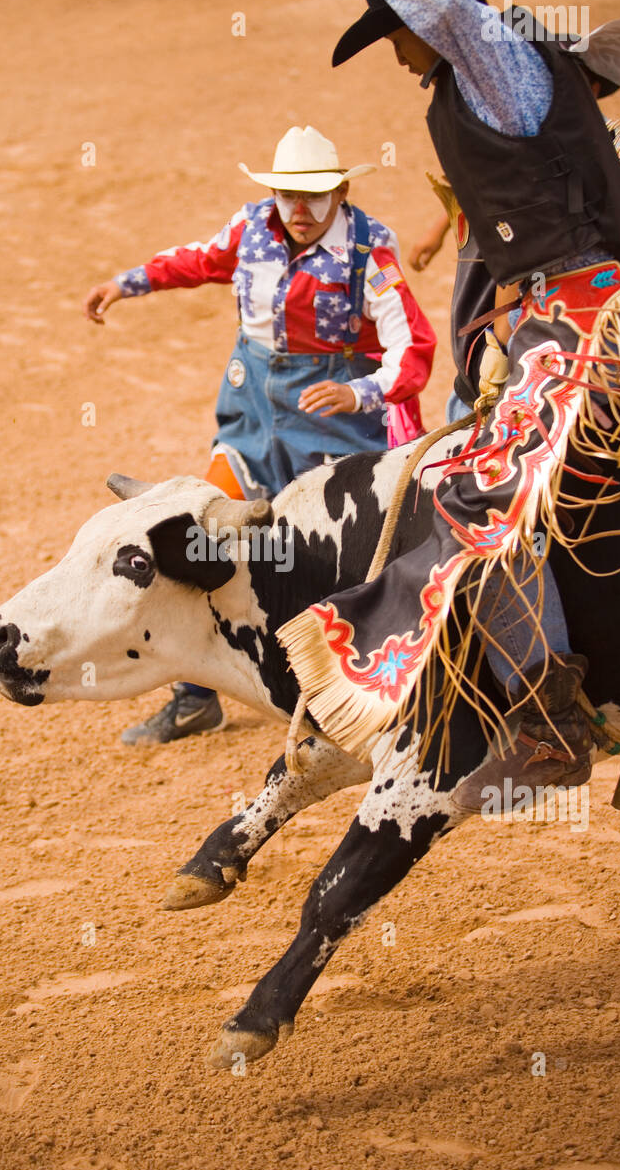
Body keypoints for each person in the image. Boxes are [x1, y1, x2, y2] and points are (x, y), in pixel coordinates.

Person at [278, 0, 620, 808]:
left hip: (587, 323)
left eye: (396, 36)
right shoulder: (491, 84)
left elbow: (445, 6)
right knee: (469, 472)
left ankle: (546, 717)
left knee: (480, 500)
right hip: (551, 315)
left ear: (418, 20)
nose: (401, 56)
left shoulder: (492, 64)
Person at [84, 124, 437, 744]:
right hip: (250, 417)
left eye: (315, 196)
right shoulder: (252, 228)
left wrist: (359, 391)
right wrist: (127, 282)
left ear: (343, 190)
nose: (299, 210)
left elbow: (412, 346)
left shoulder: (369, 249)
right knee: (200, 543)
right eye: (288, 195)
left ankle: (365, 701)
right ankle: (195, 696)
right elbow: (198, 260)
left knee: (337, 564)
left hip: (333, 424)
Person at [406, 18, 620, 425]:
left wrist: (502, 338)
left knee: (497, 417)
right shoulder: (601, 148)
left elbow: (527, 248)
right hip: (604, 308)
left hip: (554, 315)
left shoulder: (571, 150)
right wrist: (437, 229)